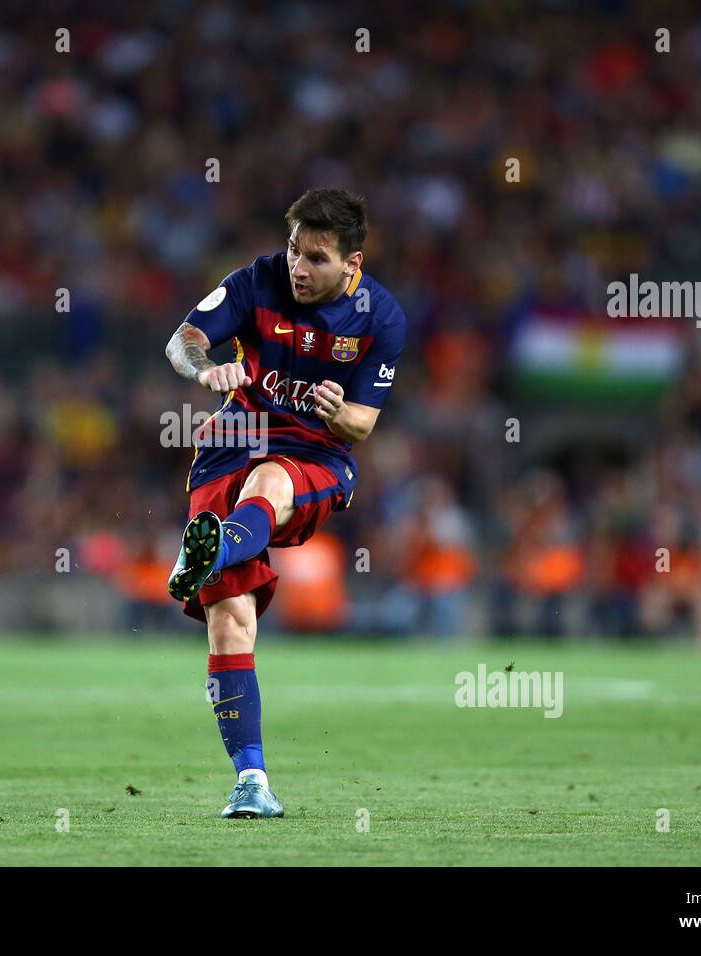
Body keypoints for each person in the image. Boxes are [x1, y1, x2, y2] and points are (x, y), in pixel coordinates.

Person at [163, 188, 407, 818]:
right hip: (231, 442)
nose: (298, 266)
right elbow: (182, 340)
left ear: (352, 263)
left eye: (317, 258)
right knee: (229, 620)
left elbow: (363, 424)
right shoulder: (255, 282)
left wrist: (339, 411)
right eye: (295, 249)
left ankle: (210, 550)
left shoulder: (381, 319)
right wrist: (204, 369)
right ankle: (252, 782)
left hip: (317, 458)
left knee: (271, 480)